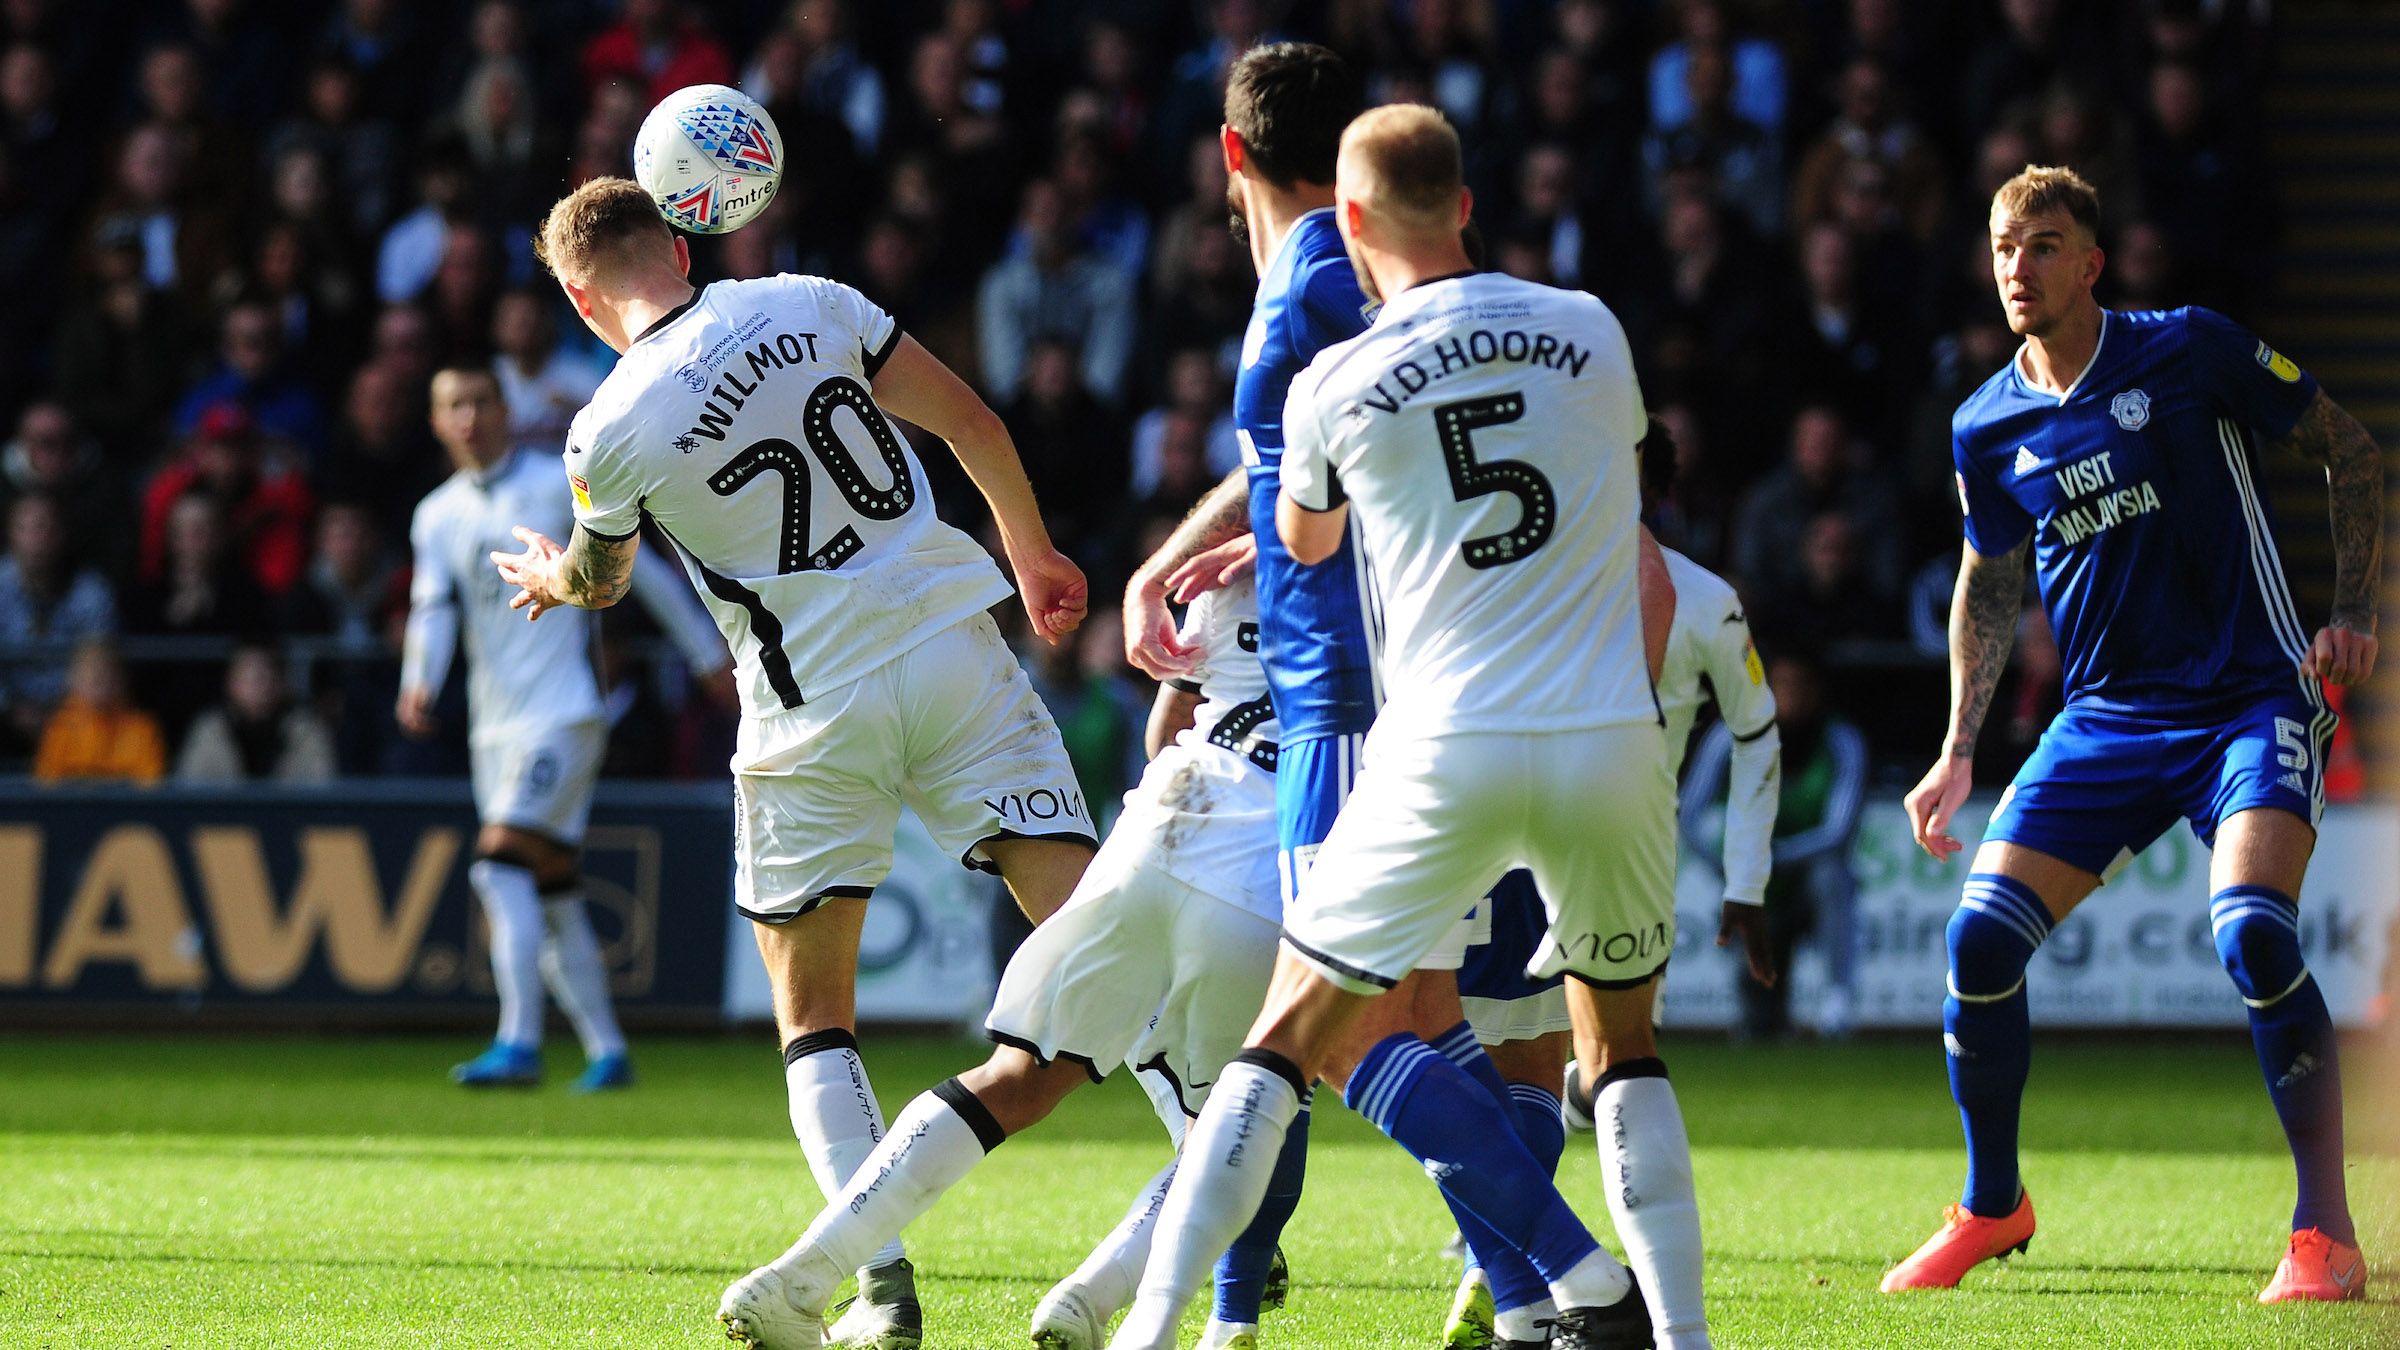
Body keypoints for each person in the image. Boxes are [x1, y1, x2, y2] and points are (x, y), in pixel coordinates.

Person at [490, 176, 1097, 1350]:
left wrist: (551, 577)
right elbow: (973, 421)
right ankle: (1226, 1214)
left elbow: (604, 581)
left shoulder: (604, 429)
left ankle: (880, 1291)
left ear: (576, 296)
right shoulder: (810, 299)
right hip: (950, 644)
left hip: (809, 709)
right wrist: (1030, 554)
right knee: (1098, 934)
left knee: (815, 1019)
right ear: (676, 241)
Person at [1111, 103, 1678, 1350]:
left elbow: (1310, 518)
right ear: (1465, 200)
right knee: (1477, 1030)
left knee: (1337, 1031)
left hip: (1374, 715)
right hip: (1576, 724)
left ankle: (1556, 1281)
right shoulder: (1582, 324)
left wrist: (1212, 559)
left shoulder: (1321, 304)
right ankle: (1546, 1301)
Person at [1887, 166, 2382, 1303]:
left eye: (2046, 245)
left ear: (2094, 262)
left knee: (2254, 933)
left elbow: (2348, 451)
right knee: (1977, 946)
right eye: (2007, 248)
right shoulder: (1986, 422)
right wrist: (1959, 744)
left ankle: (2326, 1235)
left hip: (2252, 696)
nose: (2022, 267)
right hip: (2106, 722)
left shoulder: (2187, 348)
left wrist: (2352, 610)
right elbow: (1989, 575)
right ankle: (1991, 1204)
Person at [716, 573, 1290, 1350]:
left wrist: (1133, 571)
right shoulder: (1394, 591)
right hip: (1260, 868)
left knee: (1012, 1071)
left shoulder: (1224, 576)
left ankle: (809, 1278)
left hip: (1157, 830)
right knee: (1247, 1117)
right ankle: (1120, 1304)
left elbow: (1165, 725)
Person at [403, 362, 727, 1093]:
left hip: (564, 712)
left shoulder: (554, 487)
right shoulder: (437, 514)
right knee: (551, 890)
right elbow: (433, 607)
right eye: (453, 404)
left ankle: (517, 1042)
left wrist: (707, 654)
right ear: (436, 421)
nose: (469, 417)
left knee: (498, 867)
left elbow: (640, 572)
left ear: (504, 409)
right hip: (494, 729)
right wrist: (418, 680)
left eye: (481, 400)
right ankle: (608, 1052)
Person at [1681, 650, 1856, 1040]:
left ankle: (1836, 1007)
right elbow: (1689, 816)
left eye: (1800, 687)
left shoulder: (1839, 740)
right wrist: (1722, 864)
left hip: (1805, 880)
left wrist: (1778, 857)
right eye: (1782, 686)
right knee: (1758, 1021)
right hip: (1748, 882)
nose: (1791, 697)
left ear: (1816, 693)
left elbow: (1837, 832)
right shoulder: (1729, 737)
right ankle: (1757, 1019)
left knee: (1833, 879)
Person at [176, 641, 337, 784]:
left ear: (283, 683)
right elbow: (192, 796)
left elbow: (321, 794)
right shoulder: (210, 729)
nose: (263, 687)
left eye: (271, 677)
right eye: (253, 678)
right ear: (231, 682)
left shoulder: (305, 729)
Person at [33, 638, 165, 785]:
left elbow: (150, 787)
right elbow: (46, 787)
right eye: (91, 673)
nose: (100, 681)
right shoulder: (59, 727)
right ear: (73, 679)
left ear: (122, 679)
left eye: (107, 673)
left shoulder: (142, 728)